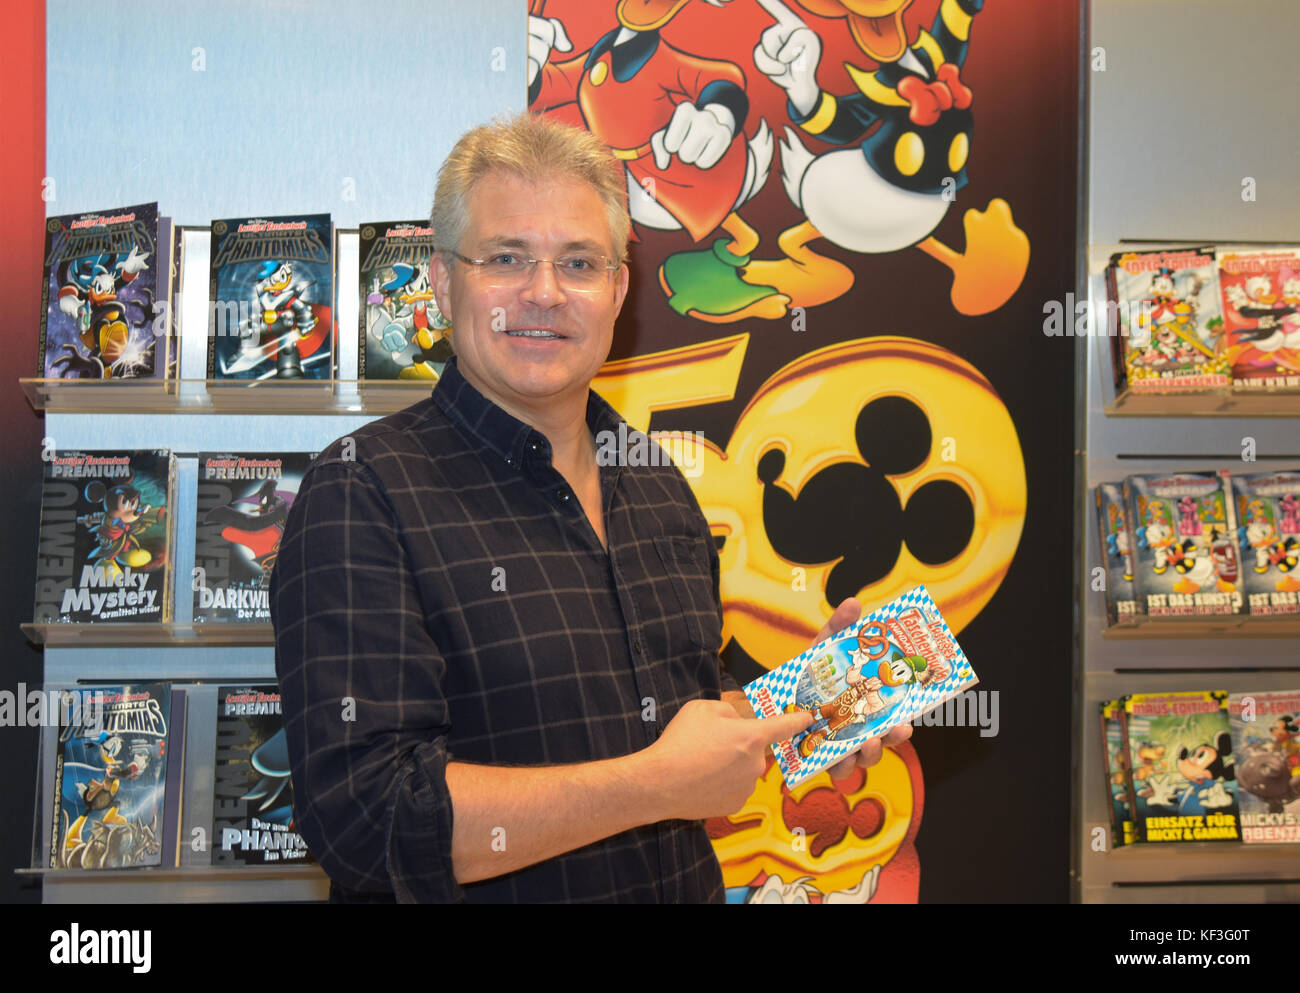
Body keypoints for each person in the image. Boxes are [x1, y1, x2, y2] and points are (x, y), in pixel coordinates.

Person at [271, 111, 909, 903]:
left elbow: (679, 722)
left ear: (617, 290)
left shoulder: (657, 485)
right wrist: (653, 783)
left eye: (578, 262)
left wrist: (805, 710)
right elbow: (367, 821)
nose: (543, 293)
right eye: (507, 258)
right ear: (441, 282)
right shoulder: (362, 490)